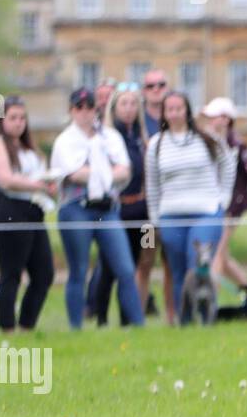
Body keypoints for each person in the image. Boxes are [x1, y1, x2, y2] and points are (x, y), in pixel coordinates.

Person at [50, 87, 143, 329]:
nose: (85, 112)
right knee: (79, 270)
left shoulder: (110, 137)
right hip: (76, 208)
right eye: (79, 107)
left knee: (125, 268)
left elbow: (126, 169)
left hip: (107, 208)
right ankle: (76, 328)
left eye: (89, 107)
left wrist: (97, 174)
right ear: (71, 110)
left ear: (96, 109)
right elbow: (72, 174)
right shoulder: (65, 141)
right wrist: (106, 173)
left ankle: (137, 325)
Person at [145, 90, 236, 325]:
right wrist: (155, 217)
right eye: (170, 109)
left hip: (206, 209)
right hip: (171, 214)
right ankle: (184, 319)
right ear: (164, 113)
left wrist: (223, 199)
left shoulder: (206, 139)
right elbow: (152, 183)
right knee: (177, 270)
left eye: (179, 108)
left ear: (187, 110)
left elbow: (228, 164)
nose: (174, 113)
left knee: (196, 263)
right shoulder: (156, 144)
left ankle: (206, 314)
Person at [0, 96, 57, 332]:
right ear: (1, 119)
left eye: (23, 118)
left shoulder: (28, 147)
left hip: (32, 210)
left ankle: (26, 326)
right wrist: (39, 185)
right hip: (7, 208)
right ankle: (7, 329)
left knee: (44, 273)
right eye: (13, 117)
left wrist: (49, 184)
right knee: (11, 272)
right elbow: (5, 179)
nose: (19, 123)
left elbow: (35, 177)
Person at [87, 84, 150, 326]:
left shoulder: (140, 139)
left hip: (140, 212)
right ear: (114, 108)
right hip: (114, 211)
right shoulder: (108, 139)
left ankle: (127, 320)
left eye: (134, 104)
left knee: (134, 264)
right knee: (109, 267)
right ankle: (100, 317)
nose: (129, 109)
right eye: (124, 104)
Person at [200, 96, 247, 294]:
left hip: (233, 207)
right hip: (214, 205)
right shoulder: (206, 142)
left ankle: (210, 302)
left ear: (225, 119)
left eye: (213, 117)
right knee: (223, 256)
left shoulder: (236, 145)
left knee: (217, 255)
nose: (209, 121)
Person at [138, 68, 173, 320]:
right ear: (144, 91)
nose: (156, 89)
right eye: (150, 86)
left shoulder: (174, 118)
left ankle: (173, 317)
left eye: (161, 84)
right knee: (145, 263)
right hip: (147, 210)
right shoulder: (137, 121)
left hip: (171, 205)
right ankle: (137, 316)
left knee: (170, 265)